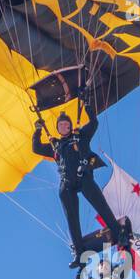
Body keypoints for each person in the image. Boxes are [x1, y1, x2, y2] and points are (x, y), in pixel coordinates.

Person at [31, 111, 123, 267]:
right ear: (58, 129)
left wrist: (88, 109)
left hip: (84, 178)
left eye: (67, 124)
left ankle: (119, 234)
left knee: (101, 206)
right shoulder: (56, 145)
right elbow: (36, 148)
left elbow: (94, 123)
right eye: (61, 125)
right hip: (67, 184)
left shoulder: (81, 136)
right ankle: (80, 253)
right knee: (71, 219)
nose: (64, 126)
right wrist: (38, 130)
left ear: (71, 126)